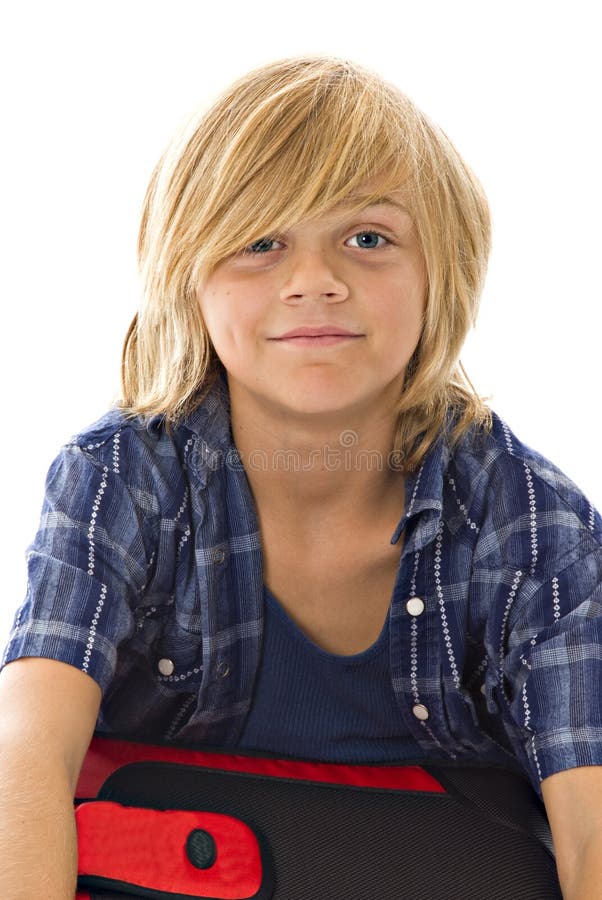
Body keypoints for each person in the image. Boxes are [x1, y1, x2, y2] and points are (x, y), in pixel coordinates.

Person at [0, 56, 601, 899]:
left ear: (443, 272)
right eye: (261, 242)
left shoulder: (532, 525)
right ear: (190, 277)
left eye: (368, 238)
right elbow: (24, 753)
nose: (314, 281)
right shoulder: (119, 480)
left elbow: (591, 835)